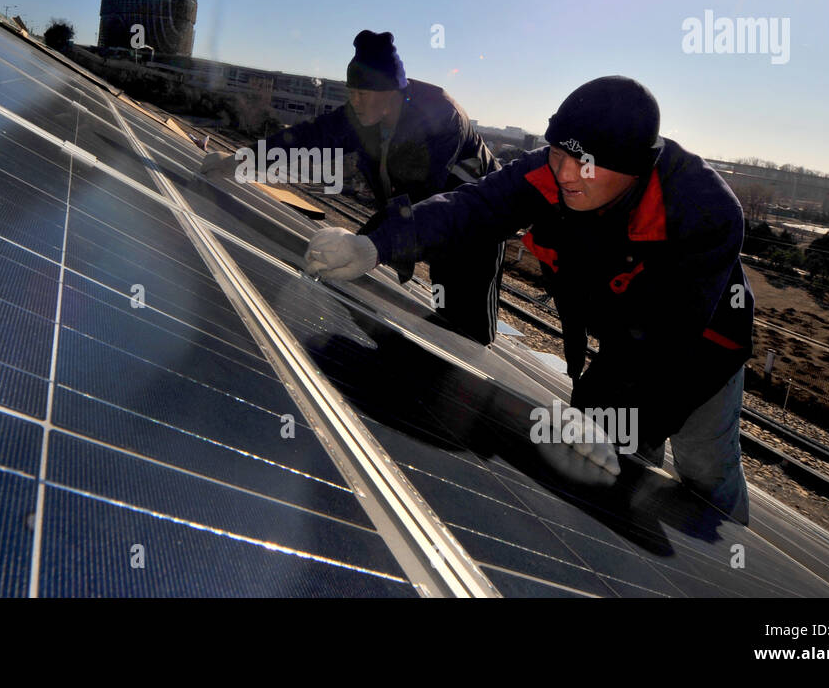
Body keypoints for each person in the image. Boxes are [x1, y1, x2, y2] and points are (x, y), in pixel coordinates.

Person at [302, 76, 754, 523]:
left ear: (636, 167)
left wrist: (605, 417)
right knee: (624, 461)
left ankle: (732, 557)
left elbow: (666, 340)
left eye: (587, 163)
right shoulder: (551, 173)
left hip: (701, 339)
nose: (568, 174)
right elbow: (471, 208)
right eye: (559, 153)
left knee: (704, 465)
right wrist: (375, 245)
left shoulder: (703, 210)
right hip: (623, 330)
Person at [201, 30, 505, 345]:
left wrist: (365, 244)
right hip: (424, 219)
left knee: (466, 327)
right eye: (351, 91)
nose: (354, 101)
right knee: (441, 312)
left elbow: (423, 201)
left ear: (391, 91)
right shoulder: (362, 116)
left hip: (474, 225)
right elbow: (308, 136)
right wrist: (241, 160)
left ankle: (472, 379)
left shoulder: (440, 118)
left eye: (362, 93)